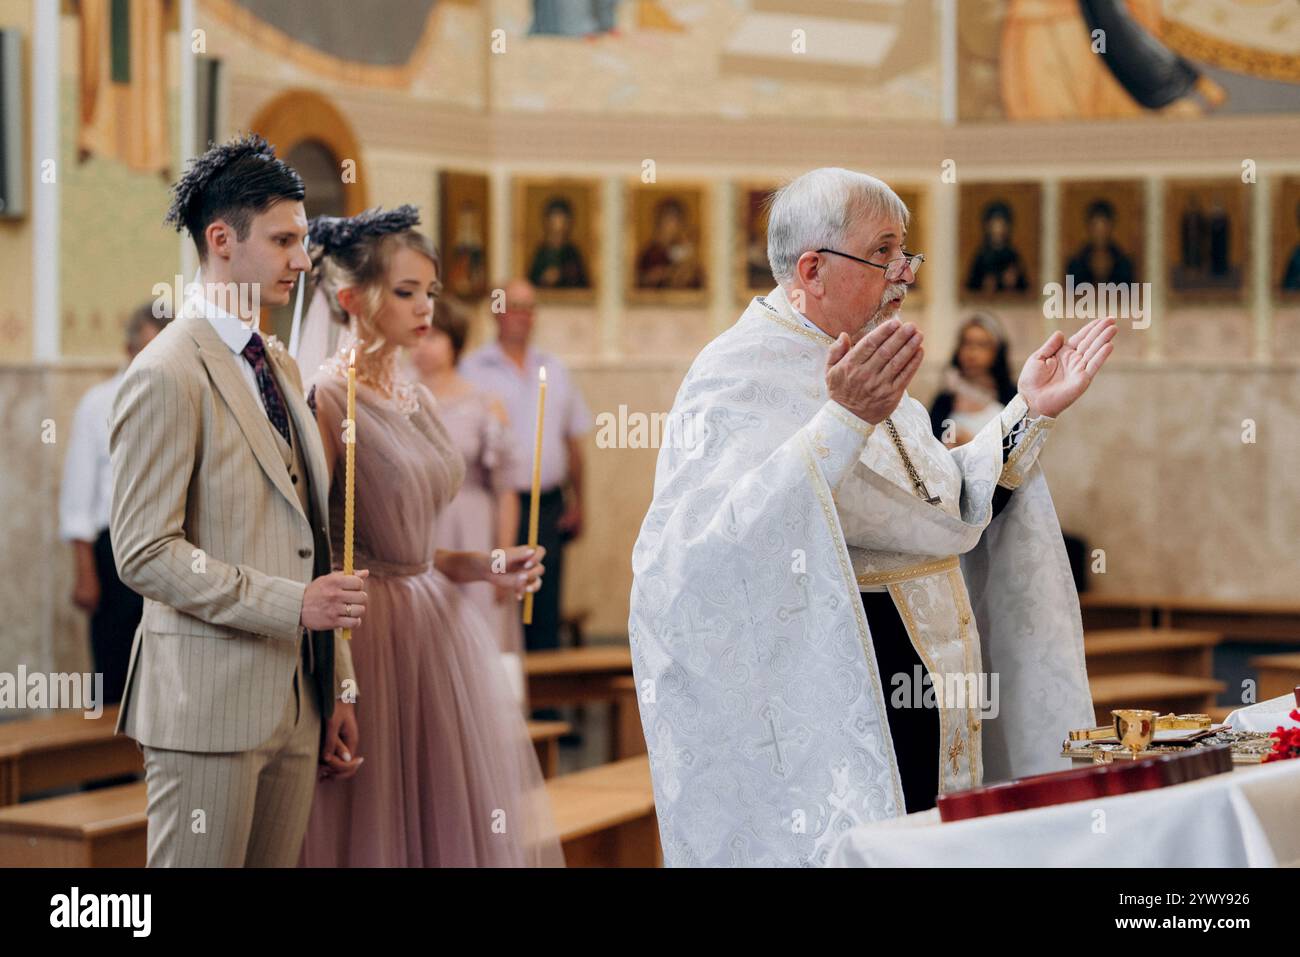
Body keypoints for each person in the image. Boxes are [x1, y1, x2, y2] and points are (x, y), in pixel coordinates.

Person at [629, 167, 1116, 866]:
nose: (904, 273)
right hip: (857, 680)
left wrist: (1028, 411)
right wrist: (841, 422)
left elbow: (947, 509)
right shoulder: (735, 374)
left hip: (943, 681)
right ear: (813, 269)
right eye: (884, 252)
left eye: (906, 253)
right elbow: (700, 557)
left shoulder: (861, 357)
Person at [109, 134, 364, 867]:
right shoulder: (167, 371)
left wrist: (336, 682)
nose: (301, 259)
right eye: (284, 240)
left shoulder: (277, 362)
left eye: (303, 240)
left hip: (297, 703)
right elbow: (145, 552)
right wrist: (295, 606)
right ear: (221, 240)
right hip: (205, 707)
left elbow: (311, 539)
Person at [299, 207, 563, 867]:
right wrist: (339, 682)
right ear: (352, 299)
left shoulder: (413, 394)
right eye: (406, 291)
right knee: (379, 823)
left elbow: (415, 548)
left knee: (444, 821)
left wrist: (483, 563)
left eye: (431, 292)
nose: (425, 308)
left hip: (434, 622)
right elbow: (319, 551)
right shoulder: (329, 399)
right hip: (368, 632)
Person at [460, 280, 591, 668]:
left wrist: (580, 503)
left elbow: (573, 442)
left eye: (529, 308)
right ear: (495, 310)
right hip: (495, 506)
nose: (522, 315)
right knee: (501, 604)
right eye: (513, 305)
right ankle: (506, 710)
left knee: (544, 606)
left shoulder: (555, 368)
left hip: (549, 505)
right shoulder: (472, 370)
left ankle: (546, 715)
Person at [411, 297, 527, 702]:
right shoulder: (398, 399)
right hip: (419, 525)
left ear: (455, 342)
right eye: (420, 334)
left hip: (473, 527)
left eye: (436, 335)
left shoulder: (483, 403)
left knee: (477, 631)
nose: (424, 345)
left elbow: (506, 488)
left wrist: (503, 552)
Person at [62, 303, 170, 708]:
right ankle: (104, 771)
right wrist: (85, 572)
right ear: (129, 350)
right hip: (115, 552)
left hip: (170, 548)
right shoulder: (98, 402)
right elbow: (78, 497)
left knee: (162, 675)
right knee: (113, 674)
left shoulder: (181, 398)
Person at [928, 312, 1017, 448]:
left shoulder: (1011, 397)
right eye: (967, 343)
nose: (972, 353)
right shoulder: (945, 399)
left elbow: (1023, 449)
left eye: (982, 345)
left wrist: (972, 444)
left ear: (997, 351)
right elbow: (930, 444)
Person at [1064, 199, 1135, 286]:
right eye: (1095, 228)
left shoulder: (1124, 265)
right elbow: (1068, 295)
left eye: (1104, 228)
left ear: (1111, 227)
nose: (1100, 235)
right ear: (1089, 228)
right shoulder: (1076, 265)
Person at [965, 200, 1029, 293]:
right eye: (994, 226)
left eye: (1002, 225)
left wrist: (1014, 282)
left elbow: (1024, 288)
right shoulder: (981, 256)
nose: (998, 230)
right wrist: (983, 285)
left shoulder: (1012, 255)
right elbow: (971, 286)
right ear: (987, 227)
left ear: (1007, 228)